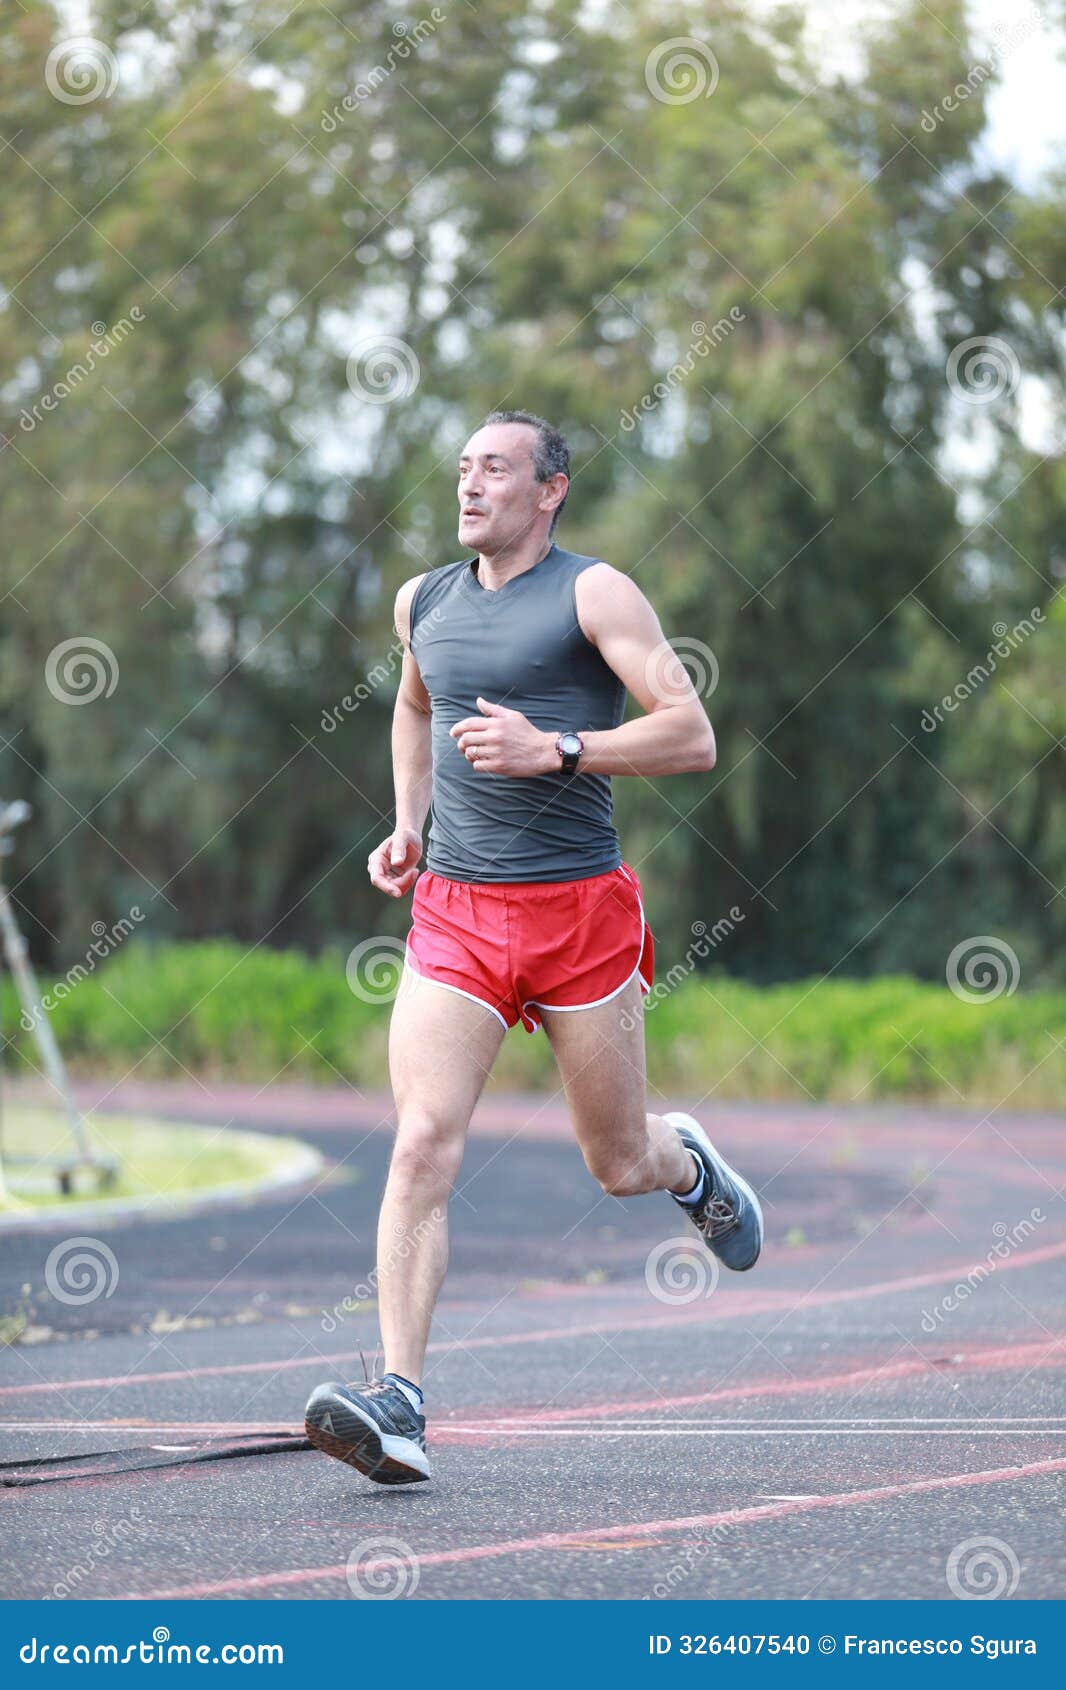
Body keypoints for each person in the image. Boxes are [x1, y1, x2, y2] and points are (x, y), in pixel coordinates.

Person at [304, 410, 762, 1484]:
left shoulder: (592, 593)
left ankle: (682, 1158)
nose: (471, 486)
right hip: (457, 912)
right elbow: (414, 710)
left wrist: (557, 748)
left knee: (616, 1163)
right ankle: (400, 1400)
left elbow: (689, 734)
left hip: (577, 915)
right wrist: (410, 820)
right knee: (422, 1139)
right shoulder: (425, 600)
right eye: (463, 468)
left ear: (549, 490)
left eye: (496, 469)